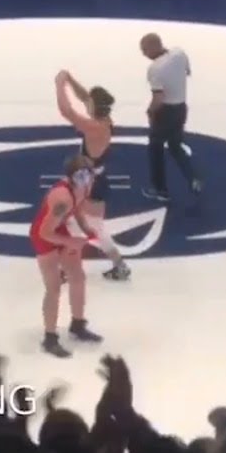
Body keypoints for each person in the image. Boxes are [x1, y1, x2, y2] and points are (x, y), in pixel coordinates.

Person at [55, 71, 131, 281]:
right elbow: (85, 98)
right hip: (94, 179)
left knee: (78, 224)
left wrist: (60, 85)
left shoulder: (94, 128)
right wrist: (70, 80)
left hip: (88, 183)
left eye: (89, 103)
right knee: (86, 225)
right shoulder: (104, 121)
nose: (86, 103)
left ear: (94, 108)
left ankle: (68, 269)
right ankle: (118, 265)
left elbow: (66, 111)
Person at [30, 154, 105, 358]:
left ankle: (77, 324)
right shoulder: (62, 198)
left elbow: (77, 206)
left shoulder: (83, 188)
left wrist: (85, 227)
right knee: (54, 287)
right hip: (44, 236)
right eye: (82, 176)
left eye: (89, 175)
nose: (87, 180)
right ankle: (50, 338)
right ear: (73, 177)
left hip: (59, 229)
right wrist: (71, 242)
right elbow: (44, 232)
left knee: (78, 277)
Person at [140, 33, 201, 202]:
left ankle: (160, 189)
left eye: (144, 50)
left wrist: (150, 112)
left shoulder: (155, 69)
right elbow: (187, 72)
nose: (144, 54)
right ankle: (193, 177)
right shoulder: (179, 53)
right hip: (180, 108)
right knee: (175, 146)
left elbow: (158, 97)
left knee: (155, 148)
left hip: (165, 112)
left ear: (153, 47)